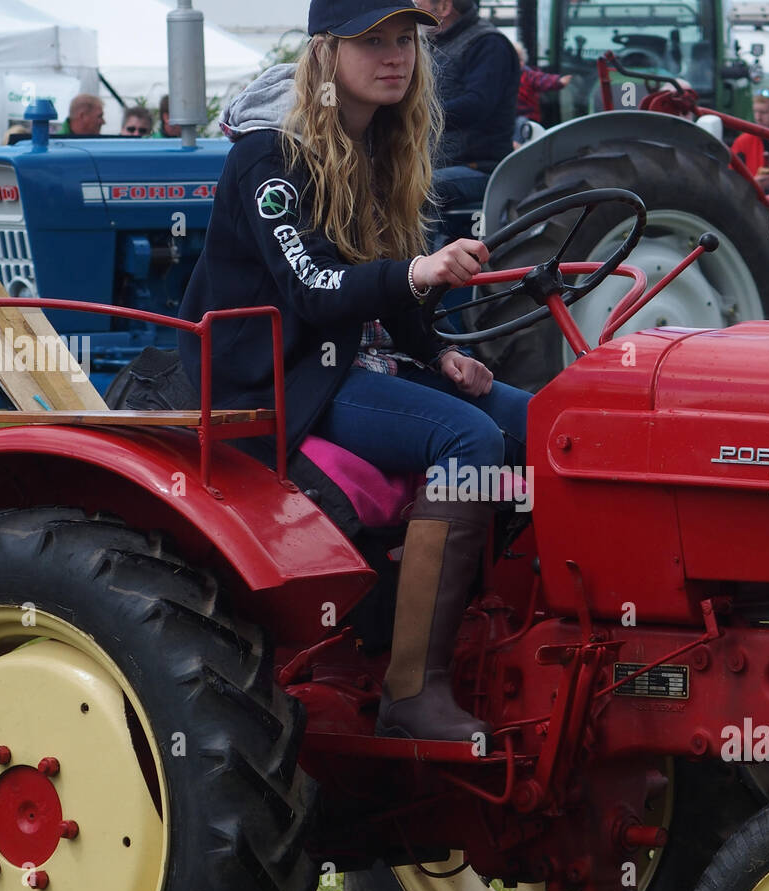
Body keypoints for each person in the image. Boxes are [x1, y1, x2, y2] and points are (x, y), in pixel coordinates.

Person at [179, 0, 531, 743]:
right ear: (326, 53)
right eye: (372, 41)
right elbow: (313, 287)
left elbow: (387, 279)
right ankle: (413, 686)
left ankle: (505, 634)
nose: (394, 56)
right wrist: (417, 271)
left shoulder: (383, 147)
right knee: (469, 440)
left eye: (404, 40)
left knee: (540, 422)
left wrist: (438, 351)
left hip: (353, 358)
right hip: (285, 377)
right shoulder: (269, 158)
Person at [416, 0, 520, 217]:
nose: (413, 10)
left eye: (418, 4)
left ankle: (427, 251)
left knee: (416, 191)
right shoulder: (436, 43)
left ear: (444, 7)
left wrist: (416, 118)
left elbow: (476, 105)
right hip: (441, 163)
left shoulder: (488, 44)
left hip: (479, 167)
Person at [513, 41, 570, 122]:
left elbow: (542, 80)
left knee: (521, 123)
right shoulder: (503, 77)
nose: (518, 63)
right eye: (513, 59)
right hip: (511, 115)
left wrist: (558, 81)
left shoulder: (528, 75)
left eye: (520, 59)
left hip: (528, 116)